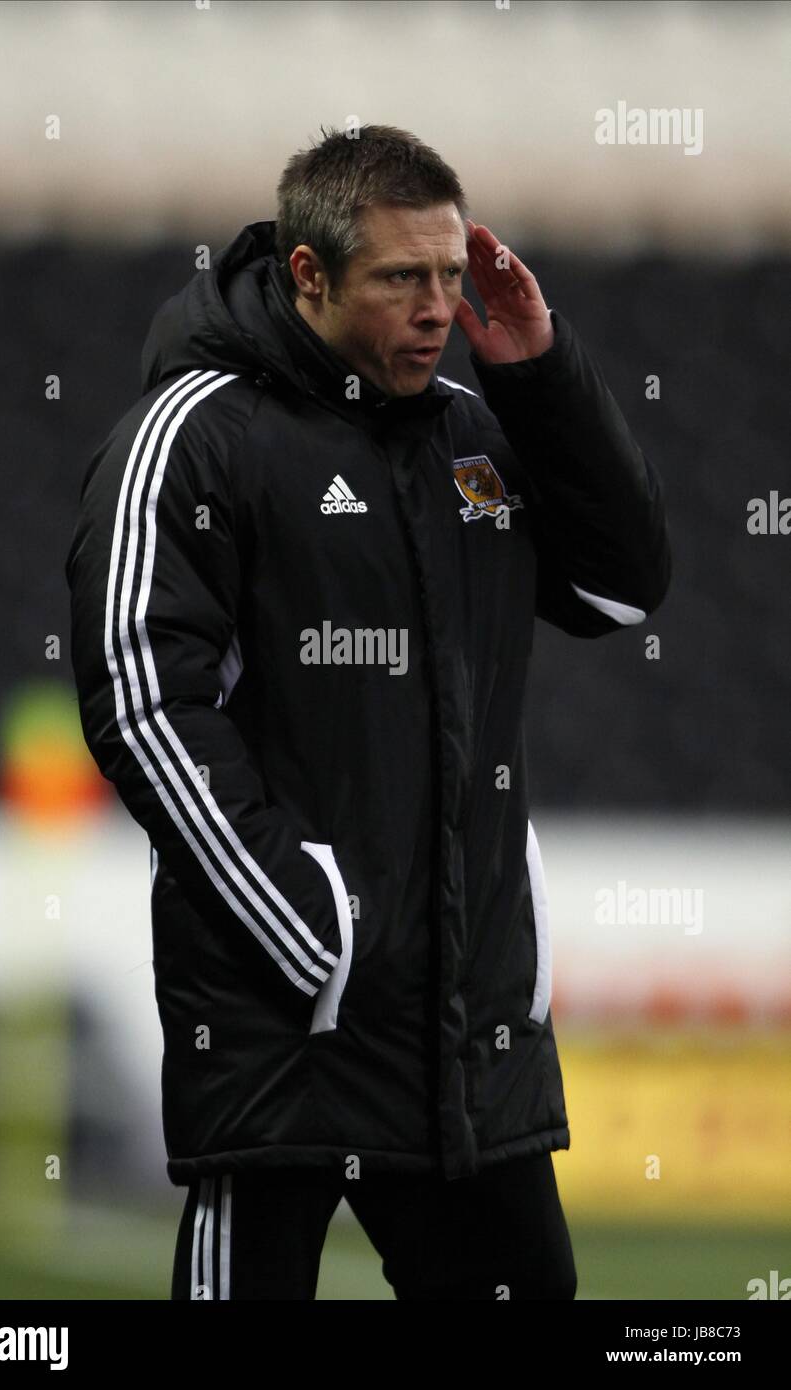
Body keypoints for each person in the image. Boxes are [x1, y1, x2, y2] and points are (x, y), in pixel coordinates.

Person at [65, 124, 671, 1300]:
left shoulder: (471, 433)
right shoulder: (193, 436)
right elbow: (143, 698)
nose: (438, 307)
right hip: (285, 1027)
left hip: (463, 1031)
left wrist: (540, 372)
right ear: (309, 275)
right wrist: (307, 926)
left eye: (450, 276)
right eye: (402, 278)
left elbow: (623, 585)